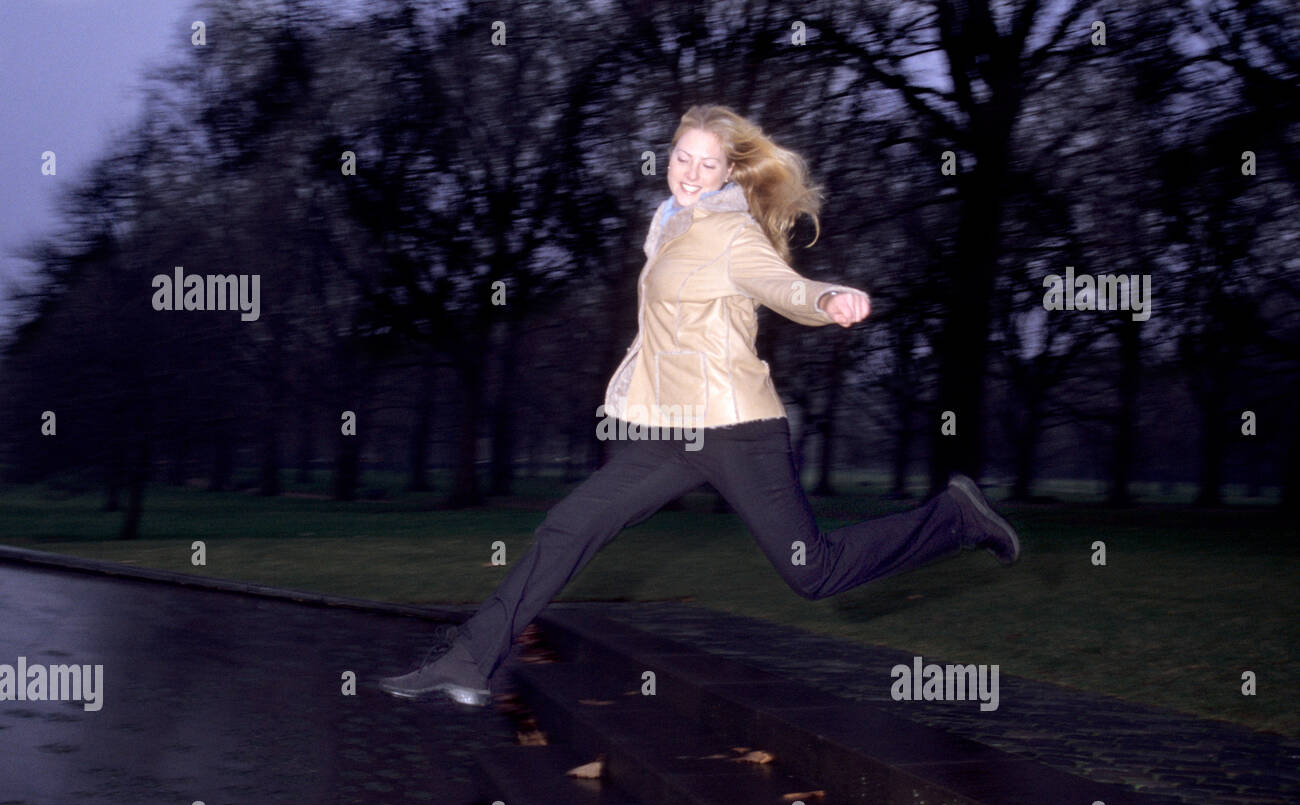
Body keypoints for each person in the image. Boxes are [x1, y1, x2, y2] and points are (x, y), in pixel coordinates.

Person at [379, 105, 1019, 706]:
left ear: (730, 172)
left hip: (737, 430)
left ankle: (955, 517)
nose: (689, 173)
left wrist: (825, 300)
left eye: (707, 164)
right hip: (672, 435)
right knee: (568, 527)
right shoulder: (670, 225)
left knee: (813, 572)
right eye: (681, 157)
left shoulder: (730, 231)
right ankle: (468, 661)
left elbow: (781, 284)